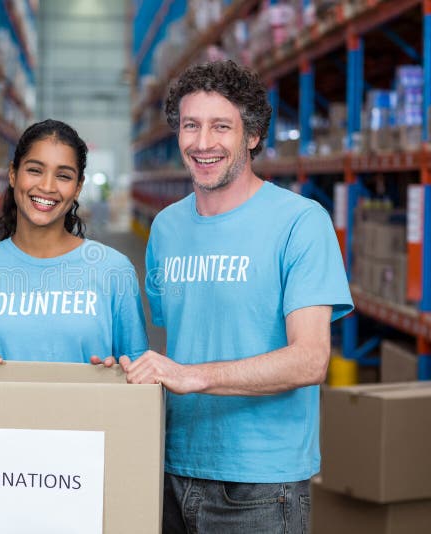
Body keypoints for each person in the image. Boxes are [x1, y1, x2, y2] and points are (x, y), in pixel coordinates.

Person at [122, 60, 353, 533]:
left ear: (251, 135)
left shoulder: (300, 223)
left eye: (220, 126)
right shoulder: (166, 227)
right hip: (170, 464)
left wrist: (191, 376)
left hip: (259, 485)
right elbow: (184, 336)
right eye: (191, 125)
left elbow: (310, 360)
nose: (202, 143)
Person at [0, 119, 148, 365]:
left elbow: (138, 375)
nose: (47, 186)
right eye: (35, 170)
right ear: (13, 174)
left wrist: (116, 372)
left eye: (63, 175)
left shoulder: (114, 269)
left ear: (78, 187)